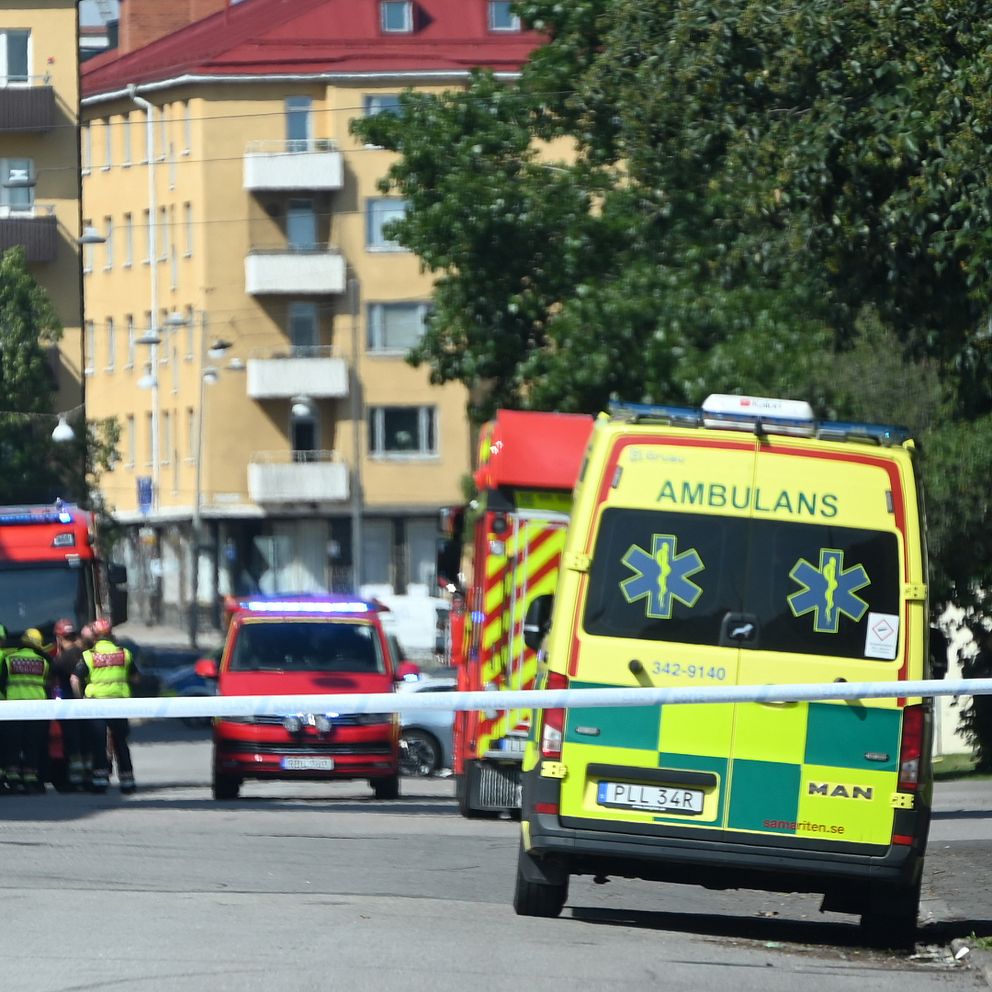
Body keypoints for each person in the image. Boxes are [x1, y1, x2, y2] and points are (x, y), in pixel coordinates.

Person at [70, 618, 138, 794]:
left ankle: (100, 782)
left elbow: (74, 679)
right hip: (119, 704)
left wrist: (80, 699)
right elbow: (136, 678)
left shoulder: (88, 656)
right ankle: (127, 782)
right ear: (110, 634)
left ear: (94, 636)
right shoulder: (125, 654)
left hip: (96, 704)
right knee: (121, 742)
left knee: (98, 743)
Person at [0, 628, 53, 793]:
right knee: (32, 745)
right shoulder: (44, 662)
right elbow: (49, 685)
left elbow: (2, 684)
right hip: (37, 709)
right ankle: (31, 779)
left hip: (13, 708)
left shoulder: (9, 659)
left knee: (12, 745)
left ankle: (13, 779)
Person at [52, 618, 87, 789]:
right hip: (89, 707)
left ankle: (74, 781)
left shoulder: (60, 660)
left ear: (59, 638)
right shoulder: (85, 654)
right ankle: (89, 778)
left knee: (72, 745)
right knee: (86, 743)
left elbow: (51, 683)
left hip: (69, 707)